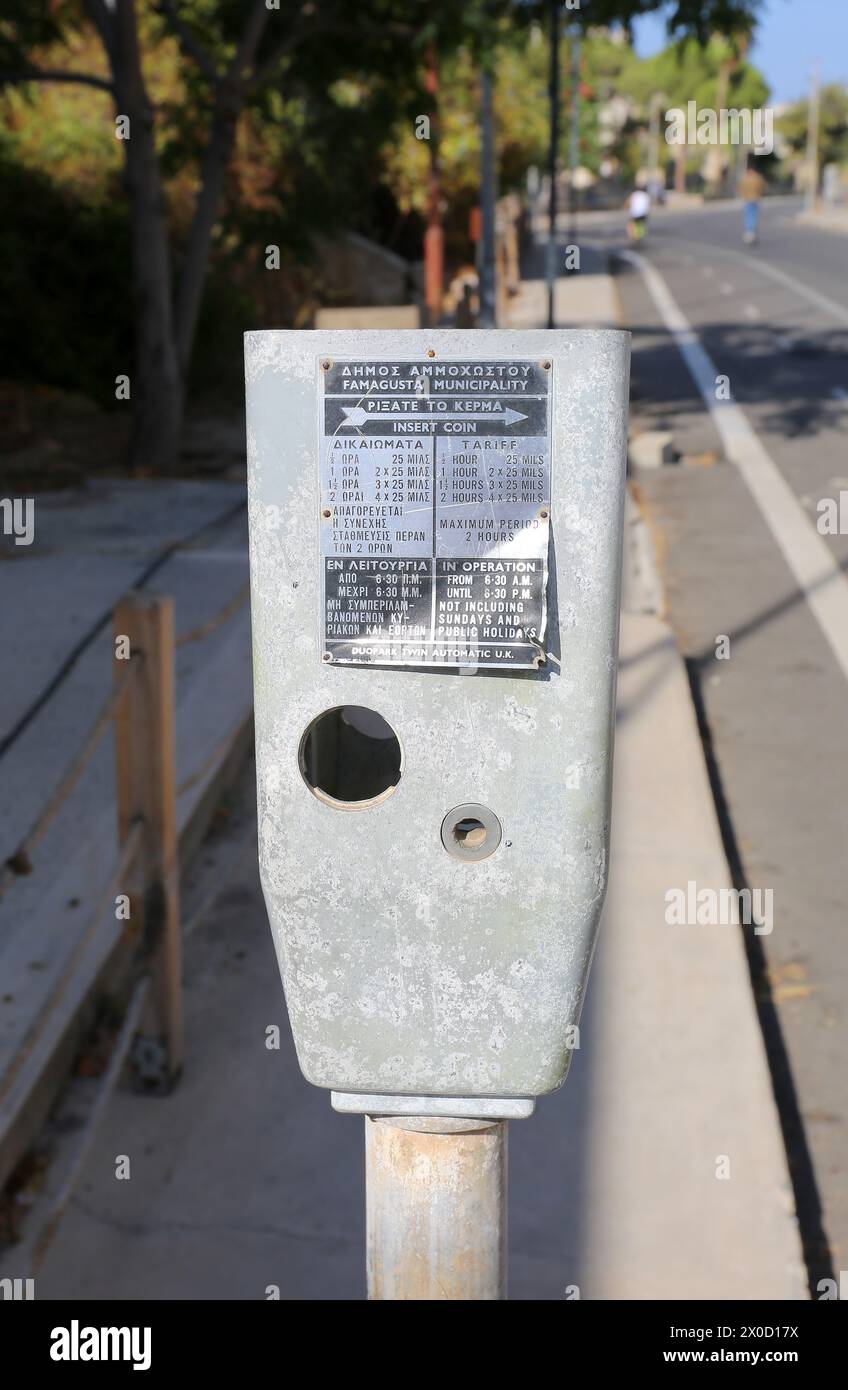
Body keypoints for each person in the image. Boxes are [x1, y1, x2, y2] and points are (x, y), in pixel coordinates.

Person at [739, 158, 765, 244]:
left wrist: (744, 196)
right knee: (753, 216)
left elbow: (742, 188)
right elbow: (761, 187)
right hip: (755, 198)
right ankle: (751, 232)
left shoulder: (745, 178)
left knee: (749, 216)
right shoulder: (758, 178)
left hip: (748, 199)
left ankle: (750, 232)